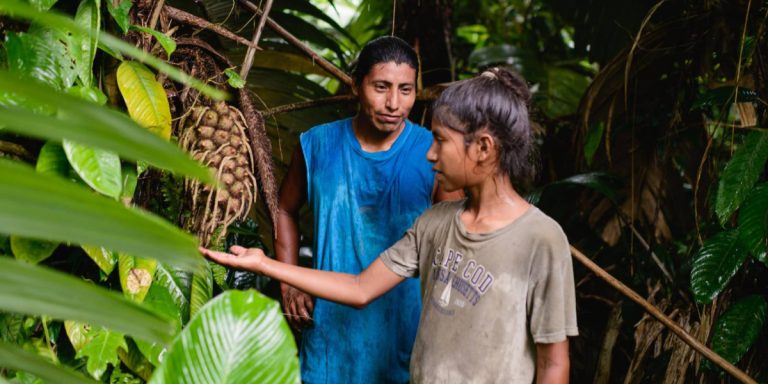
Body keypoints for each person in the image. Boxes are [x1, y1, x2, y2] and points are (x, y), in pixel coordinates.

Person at [204, 67, 578, 383]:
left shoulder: (541, 239)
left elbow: (553, 362)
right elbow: (360, 287)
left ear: (482, 148)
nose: (429, 154)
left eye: (440, 141)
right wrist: (266, 265)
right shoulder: (435, 223)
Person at [273, 36, 460, 383]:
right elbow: (285, 210)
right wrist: (289, 281)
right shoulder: (317, 145)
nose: (393, 103)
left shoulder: (433, 153)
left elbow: (455, 240)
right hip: (329, 335)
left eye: (405, 90)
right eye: (381, 87)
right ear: (356, 85)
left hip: (408, 333)